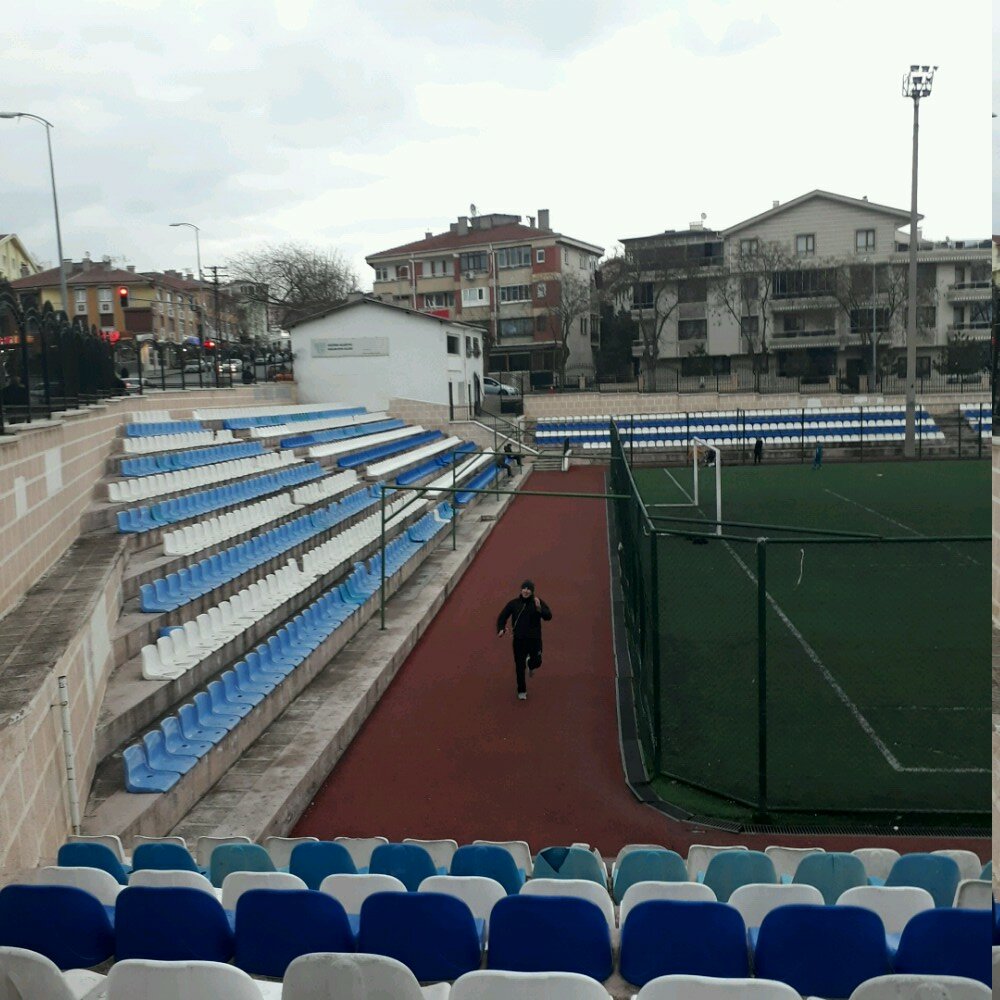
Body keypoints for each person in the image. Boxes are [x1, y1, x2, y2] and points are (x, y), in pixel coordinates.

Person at [496, 580, 552, 701]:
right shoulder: (514, 603)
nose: (526, 591)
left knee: (537, 662)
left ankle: (530, 664)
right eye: (524, 588)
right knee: (519, 667)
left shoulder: (537, 602)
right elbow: (502, 616)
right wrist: (500, 628)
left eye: (529, 589)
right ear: (521, 590)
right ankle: (522, 690)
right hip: (519, 640)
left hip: (534, 639)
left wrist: (539, 608)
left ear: (532, 591)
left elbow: (548, 616)